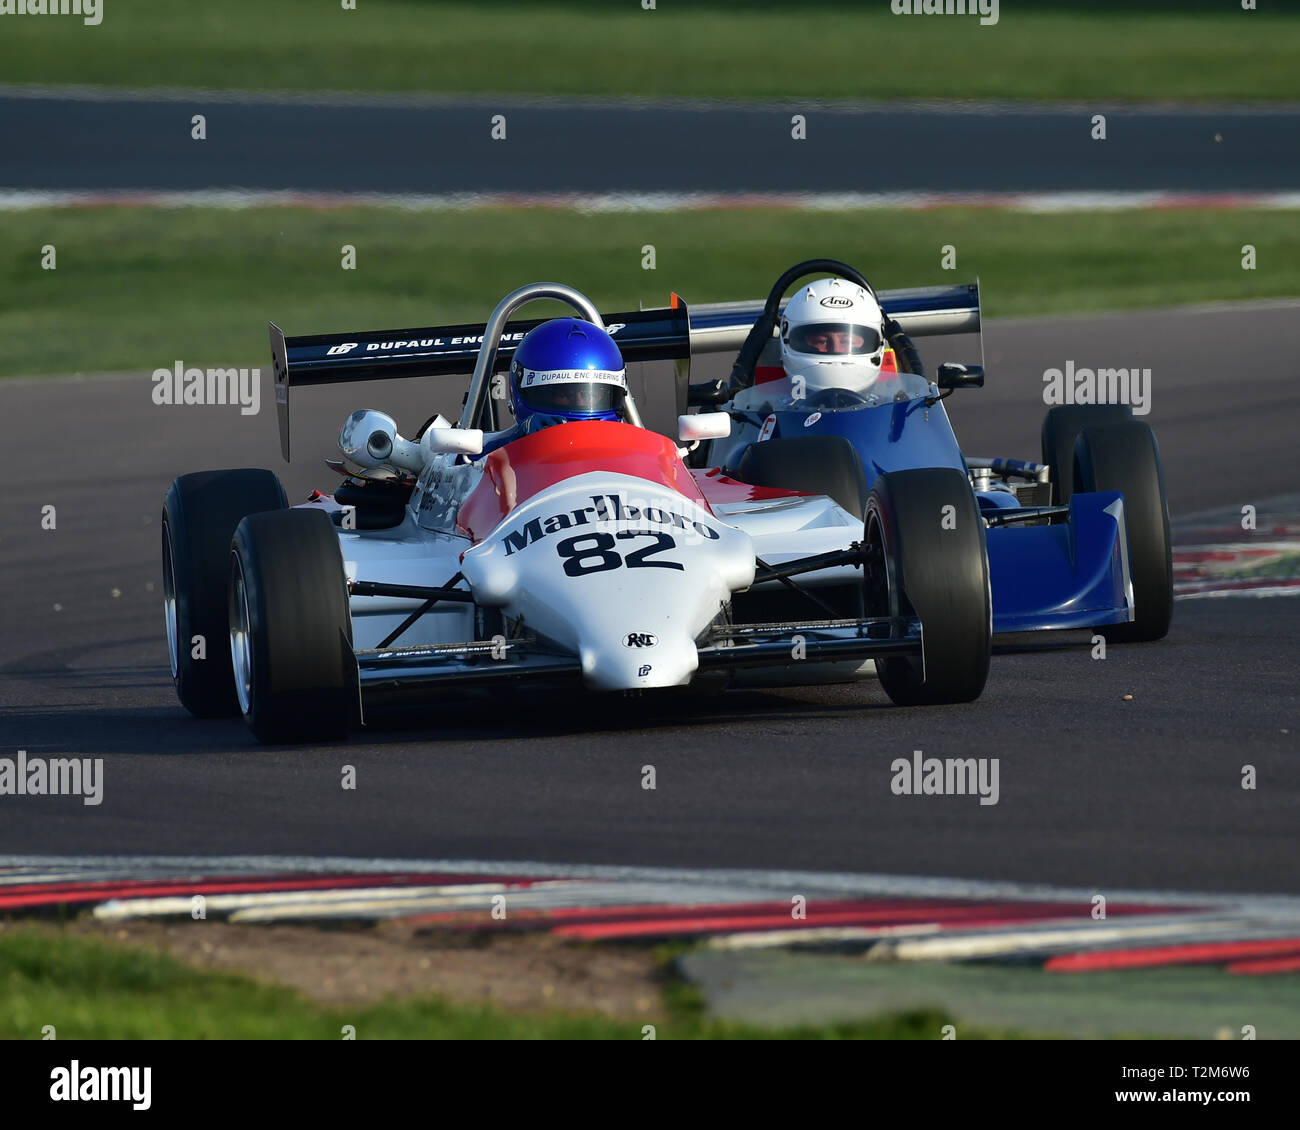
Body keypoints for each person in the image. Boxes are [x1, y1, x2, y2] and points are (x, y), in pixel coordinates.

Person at [481, 317, 628, 454]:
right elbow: (465, 464)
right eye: (565, 395)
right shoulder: (499, 454)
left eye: (591, 394)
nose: (581, 402)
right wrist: (517, 443)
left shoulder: (637, 449)